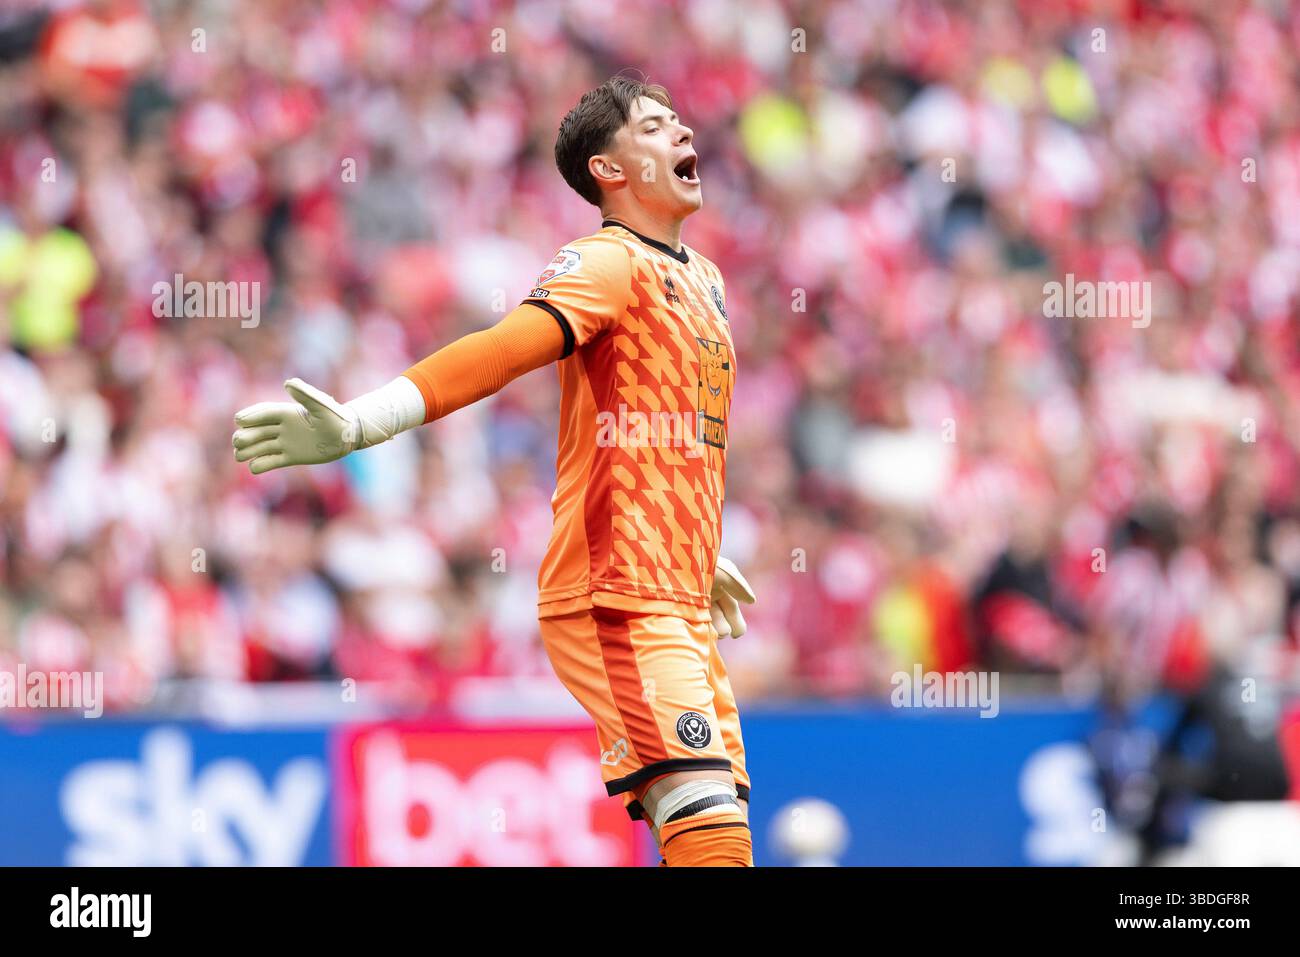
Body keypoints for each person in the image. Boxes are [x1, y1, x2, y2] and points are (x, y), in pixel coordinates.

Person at [231, 74, 758, 866]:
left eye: (679, 120)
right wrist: (360, 421)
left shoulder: (706, 280)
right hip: (615, 592)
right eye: (654, 127)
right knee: (705, 814)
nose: (682, 132)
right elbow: (500, 351)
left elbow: (666, 430)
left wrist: (695, 546)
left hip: (673, 591)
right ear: (609, 171)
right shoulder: (605, 261)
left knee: (712, 828)